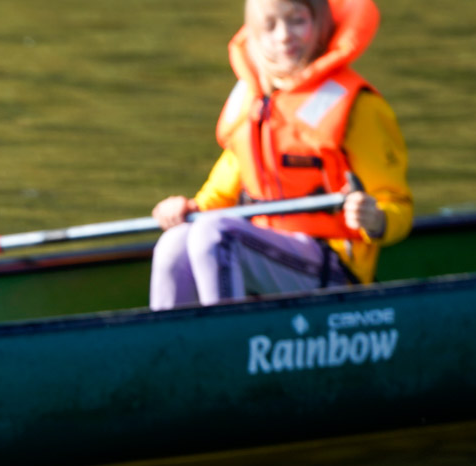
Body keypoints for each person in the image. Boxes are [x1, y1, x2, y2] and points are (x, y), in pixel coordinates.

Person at [149, 0, 410, 310]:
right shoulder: (252, 101)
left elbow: (397, 206)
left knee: (216, 236)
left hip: (333, 267)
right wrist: (188, 209)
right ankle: (167, 338)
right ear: (253, 34)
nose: (284, 36)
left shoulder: (359, 107)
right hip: (260, 250)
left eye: (297, 21)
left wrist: (375, 218)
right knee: (175, 241)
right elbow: (220, 194)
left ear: (321, 25)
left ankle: (226, 335)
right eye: (270, 25)